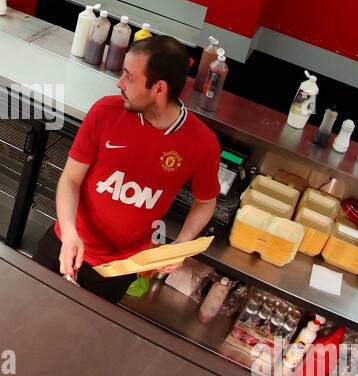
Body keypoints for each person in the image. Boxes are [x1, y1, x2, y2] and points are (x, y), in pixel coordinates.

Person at [32, 36, 221, 303]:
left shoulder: (202, 143)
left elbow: (206, 200)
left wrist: (181, 244)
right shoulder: (105, 111)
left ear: (159, 88)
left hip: (117, 268)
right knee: (27, 305)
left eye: (129, 77)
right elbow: (71, 179)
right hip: (67, 242)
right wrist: (70, 231)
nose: (120, 83)